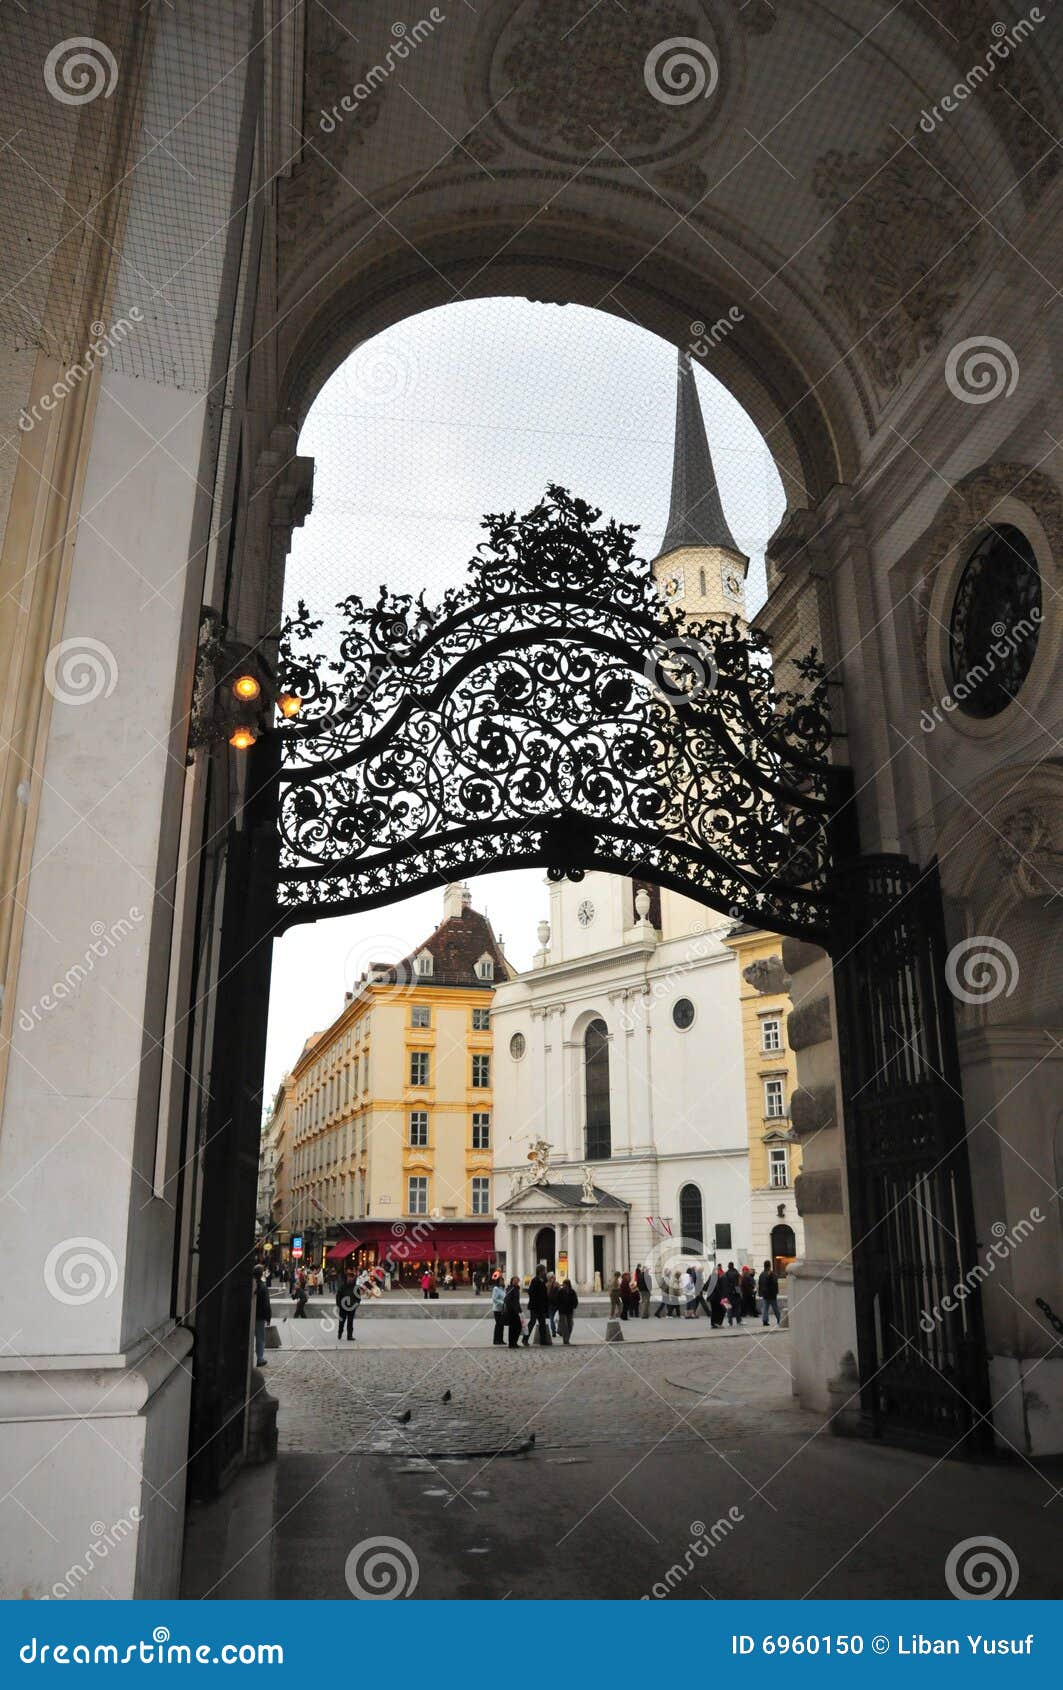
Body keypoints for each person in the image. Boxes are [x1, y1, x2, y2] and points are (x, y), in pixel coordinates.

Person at [523, 1265, 551, 1345]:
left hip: (541, 1306)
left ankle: (543, 1340)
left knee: (542, 1323)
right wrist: (538, 1300)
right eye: (544, 1270)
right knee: (532, 1322)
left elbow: (544, 1294)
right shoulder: (535, 1280)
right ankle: (525, 1339)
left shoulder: (542, 1281)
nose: (545, 1272)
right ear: (540, 1271)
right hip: (535, 1306)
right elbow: (531, 1293)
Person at [252, 1265, 271, 1365]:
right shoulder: (263, 1286)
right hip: (260, 1316)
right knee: (260, 1338)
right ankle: (260, 1358)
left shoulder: (251, 1284)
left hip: (251, 1315)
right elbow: (266, 1304)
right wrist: (268, 1317)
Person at [336, 1266, 360, 1341]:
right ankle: (340, 1333)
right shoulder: (342, 1286)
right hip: (343, 1307)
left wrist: (356, 1305)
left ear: (353, 1278)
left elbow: (358, 1298)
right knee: (341, 1322)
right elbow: (338, 1296)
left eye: (352, 1277)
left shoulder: (356, 1287)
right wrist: (339, 1305)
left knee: (350, 1322)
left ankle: (349, 1336)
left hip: (352, 1308)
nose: (350, 1278)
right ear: (347, 1278)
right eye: (349, 1277)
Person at [758, 1260, 781, 1326]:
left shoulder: (761, 1274)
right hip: (772, 1294)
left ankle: (765, 1321)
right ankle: (779, 1319)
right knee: (775, 1308)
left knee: (765, 1308)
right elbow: (775, 1283)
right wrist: (776, 1291)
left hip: (765, 1294)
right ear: (770, 1266)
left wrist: (760, 1292)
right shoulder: (772, 1274)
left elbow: (760, 1284)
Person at [557, 1279, 579, 1344]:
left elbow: (575, 1300)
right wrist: (559, 1307)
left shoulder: (572, 1292)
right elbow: (557, 1300)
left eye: (564, 1284)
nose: (563, 1285)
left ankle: (567, 1338)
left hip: (569, 1311)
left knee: (570, 1325)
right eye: (563, 1284)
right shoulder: (560, 1291)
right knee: (565, 1325)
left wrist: (574, 1306)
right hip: (562, 1311)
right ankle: (565, 1340)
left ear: (567, 1284)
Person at [503, 1275, 523, 1348]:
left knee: (517, 1327)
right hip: (511, 1311)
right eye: (515, 1280)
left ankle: (513, 1342)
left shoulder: (516, 1289)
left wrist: (520, 1310)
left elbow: (517, 1301)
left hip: (516, 1310)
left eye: (517, 1280)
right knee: (514, 1327)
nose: (517, 1281)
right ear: (512, 1281)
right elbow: (507, 1300)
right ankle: (512, 1343)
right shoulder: (511, 1289)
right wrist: (513, 1309)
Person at [723, 1261, 743, 1326]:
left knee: (729, 1308)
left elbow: (725, 1285)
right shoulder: (736, 1273)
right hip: (736, 1292)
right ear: (733, 1266)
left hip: (728, 1293)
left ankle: (730, 1322)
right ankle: (738, 1321)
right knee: (737, 1307)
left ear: (728, 1266)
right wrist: (739, 1293)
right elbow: (738, 1284)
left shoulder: (726, 1274)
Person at [491, 1274, 507, 1344]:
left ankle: (501, 1340)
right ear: (498, 1282)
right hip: (497, 1309)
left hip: (503, 1309)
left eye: (502, 1281)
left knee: (502, 1325)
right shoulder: (496, 1289)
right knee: (498, 1324)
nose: (502, 1282)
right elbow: (494, 1299)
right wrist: (502, 1302)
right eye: (500, 1281)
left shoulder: (503, 1289)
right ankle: (496, 1340)